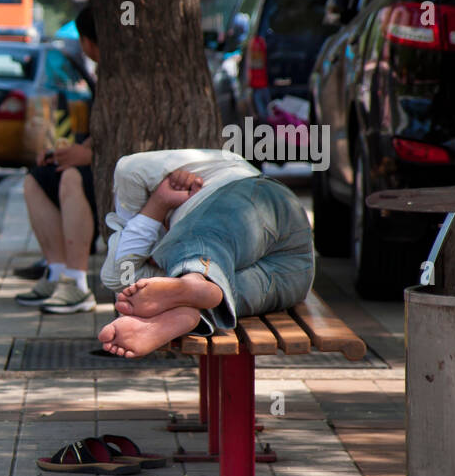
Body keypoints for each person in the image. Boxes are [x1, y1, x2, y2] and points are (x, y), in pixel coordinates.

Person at [96, 148, 314, 358]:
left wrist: (146, 213)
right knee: (222, 291)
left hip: (266, 203)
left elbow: (128, 167)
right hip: (294, 276)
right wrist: (157, 205)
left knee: (205, 239)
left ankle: (194, 280)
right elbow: (118, 278)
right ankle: (188, 314)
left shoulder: (215, 170)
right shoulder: (167, 237)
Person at [13, 5, 99, 313]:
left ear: (88, 43)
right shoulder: (103, 76)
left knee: (72, 176)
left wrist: (86, 155)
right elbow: (105, 132)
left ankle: (77, 284)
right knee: (37, 177)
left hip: (124, 176)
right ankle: (57, 271)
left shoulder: (127, 79)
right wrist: (69, 151)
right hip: (99, 162)